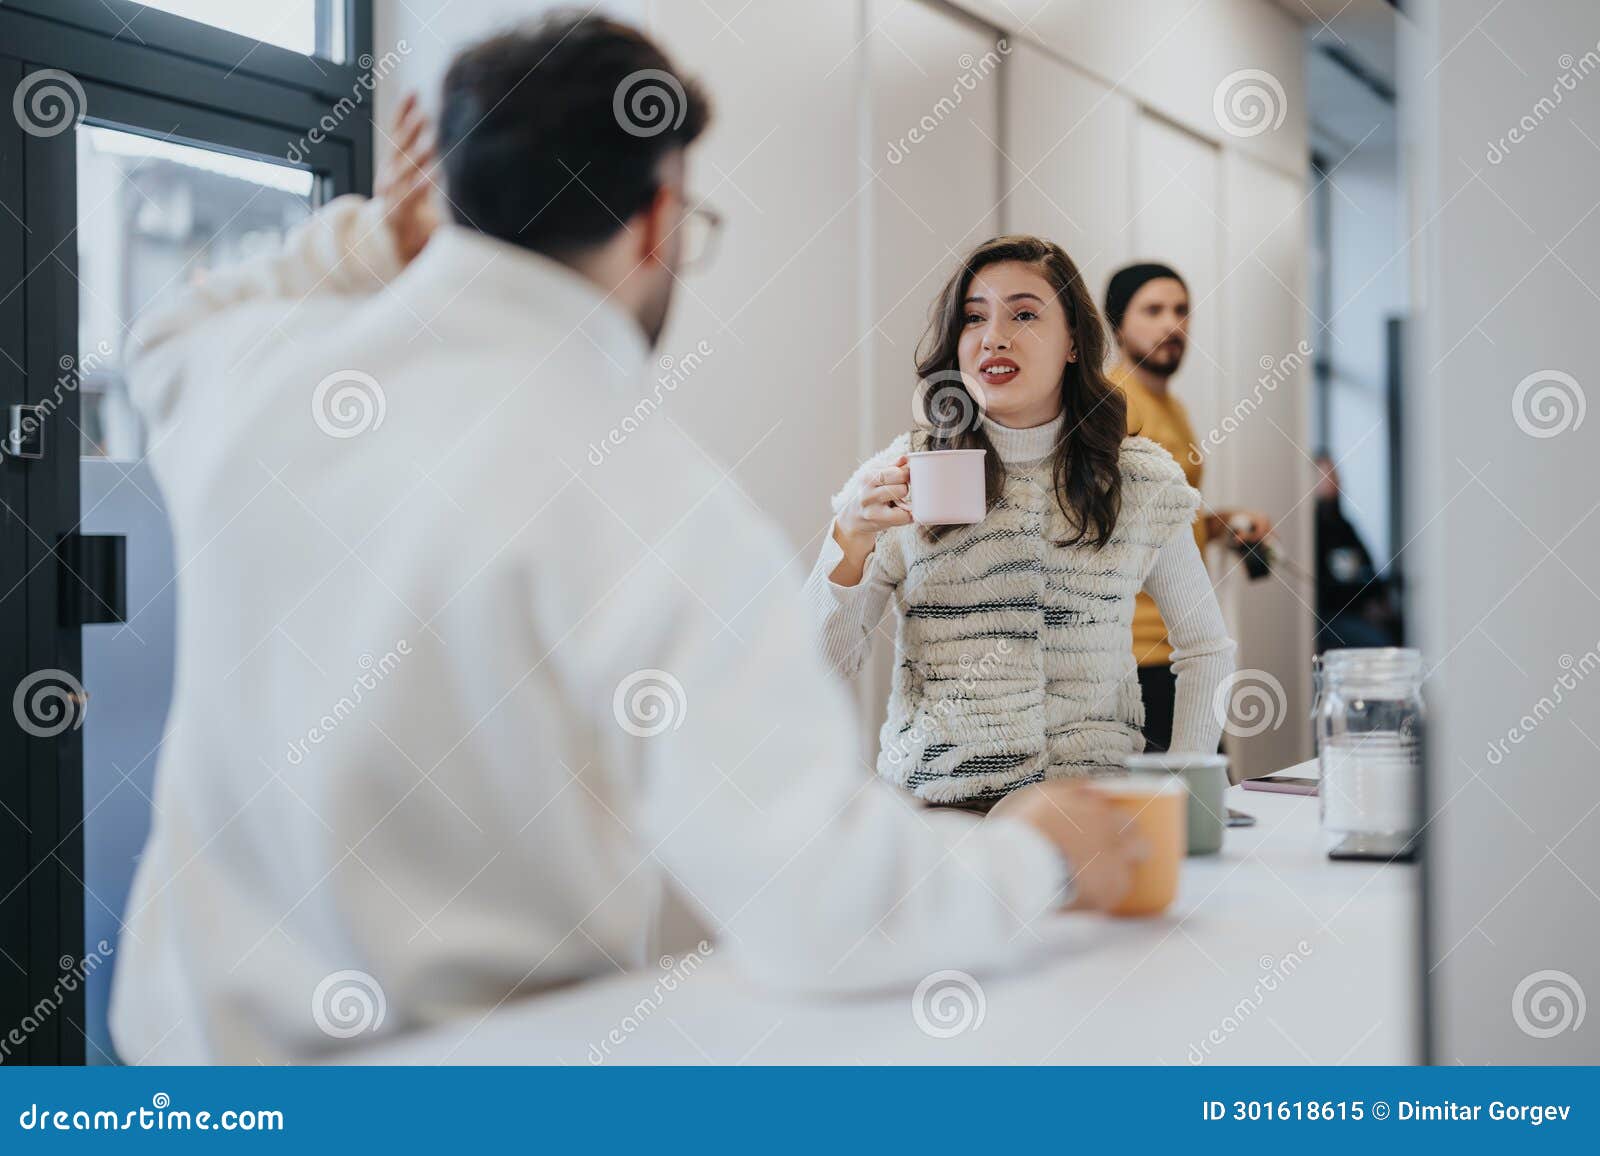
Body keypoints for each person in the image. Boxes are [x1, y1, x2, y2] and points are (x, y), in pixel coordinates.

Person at [108, 14, 1144, 1064]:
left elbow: (171, 329)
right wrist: (1039, 858)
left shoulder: (258, 381)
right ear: (656, 222)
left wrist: (384, 236)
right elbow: (824, 906)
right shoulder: (657, 500)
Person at [804, 236, 1236, 814]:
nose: (994, 336)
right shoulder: (902, 475)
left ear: (1075, 343)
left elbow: (1206, 648)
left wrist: (1182, 790)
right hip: (941, 818)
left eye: (1025, 314)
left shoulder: (1139, 481)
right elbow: (816, 669)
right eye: (973, 318)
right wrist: (850, 539)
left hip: (1091, 816)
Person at [1103, 262, 1272, 752]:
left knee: (1200, 800)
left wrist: (1223, 525)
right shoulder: (1113, 404)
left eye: (1181, 310)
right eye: (1152, 310)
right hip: (1136, 650)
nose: (1171, 324)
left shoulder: (1172, 408)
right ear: (1117, 323)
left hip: (1183, 640)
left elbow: (1164, 516)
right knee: (1175, 809)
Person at [1313, 454, 1399, 650]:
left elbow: (1367, 567)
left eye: (1332, 476)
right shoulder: (1310, 531)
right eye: (1323, 477)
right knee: (1378, 644)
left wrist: (1375, 598)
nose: (1331, 483)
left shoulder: (1344, 526)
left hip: (1357, 612)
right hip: (1327, 617)